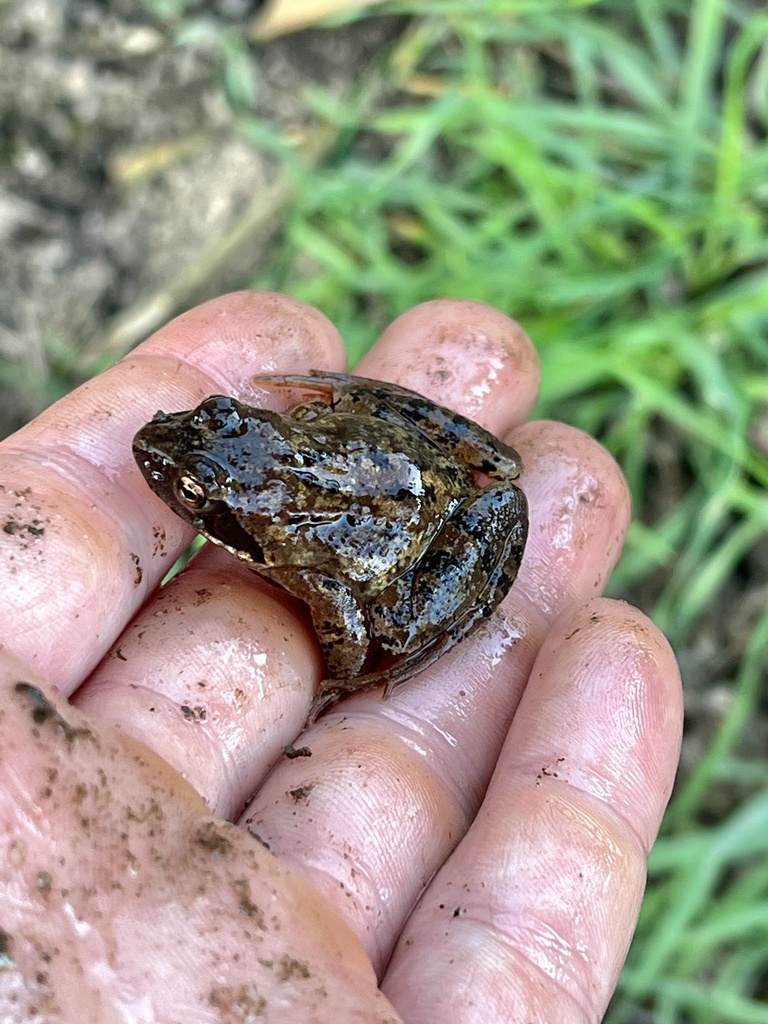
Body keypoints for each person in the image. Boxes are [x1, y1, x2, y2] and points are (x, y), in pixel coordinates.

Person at [0, 293, 682, 1023]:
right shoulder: (279, 453)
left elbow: (352, 628)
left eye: (193, 491)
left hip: (413, 535)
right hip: (383, 455)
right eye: (207, 429)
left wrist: (343, 675)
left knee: (392, 623)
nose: (162, 449)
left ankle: (415, 641)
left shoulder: (301, 558)